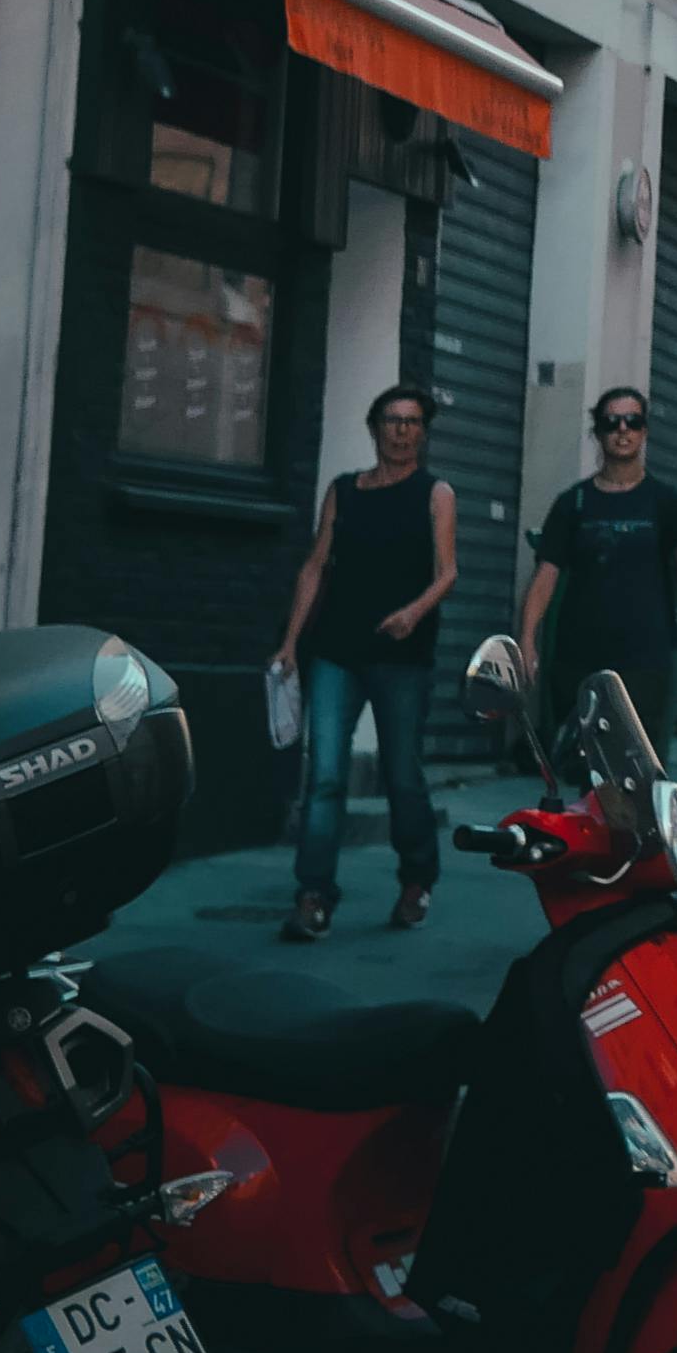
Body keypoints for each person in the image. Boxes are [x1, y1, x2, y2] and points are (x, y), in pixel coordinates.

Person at [271, 383, 459, 941]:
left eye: (412, 422)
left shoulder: (435, 493)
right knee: (325, 776)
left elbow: (448, 572)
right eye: (391, 420)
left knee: (402, 774)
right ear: (374, 428)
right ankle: (314, 895)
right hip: (335, 650)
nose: (401, 431)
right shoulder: (344, 491)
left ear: (423, 432)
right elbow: (314, 566)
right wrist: (290, 642)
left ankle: (417, 878)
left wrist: (412, 613)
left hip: (403, 656)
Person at [518, 388, 677, 758]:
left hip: (644, 660)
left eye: (632, 421)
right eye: (611, 422)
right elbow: (546, 575)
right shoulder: (574, 503)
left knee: (636, 776)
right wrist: (527, 640)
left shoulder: (665, 502)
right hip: (580, 658)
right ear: (598, 432)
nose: (622, 430)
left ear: (644, 431)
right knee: (588, 774)